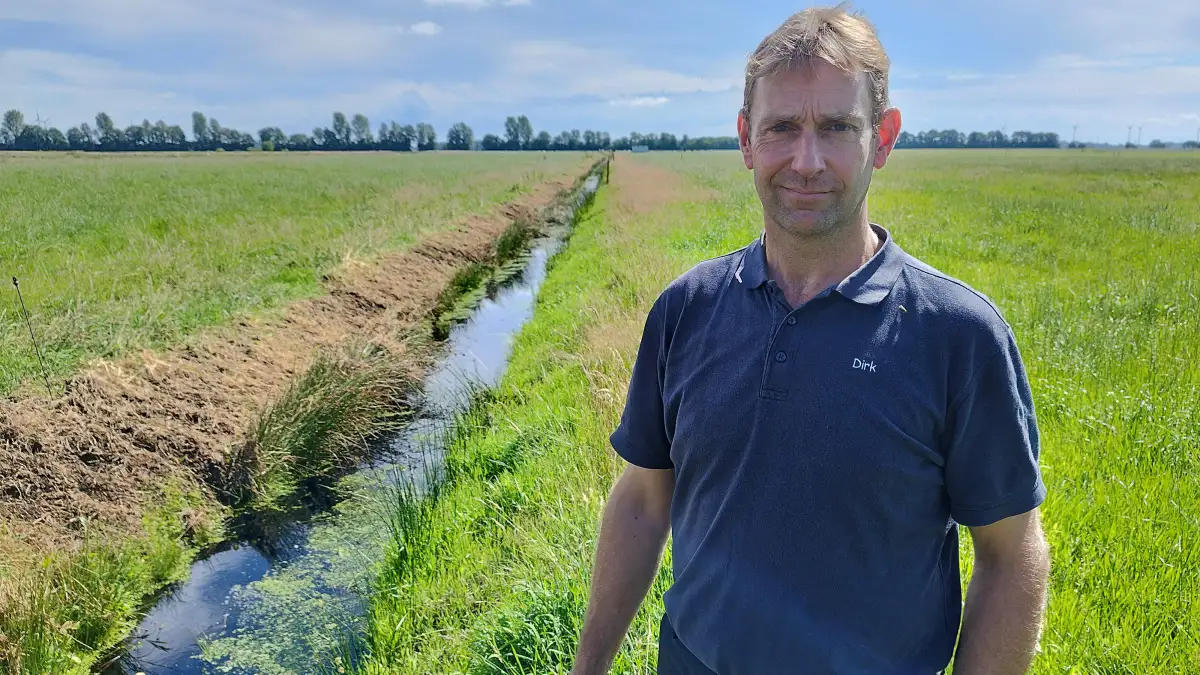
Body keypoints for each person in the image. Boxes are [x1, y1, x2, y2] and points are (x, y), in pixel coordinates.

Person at [569, 5, 1051, 675]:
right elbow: (644, 500)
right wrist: (588, 663)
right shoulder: (685, 309)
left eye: (836, 127)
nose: (806, 160)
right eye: (782, 128)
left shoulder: (957, 335)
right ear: (745, 139)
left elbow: (1010, 552)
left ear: (882, 139)